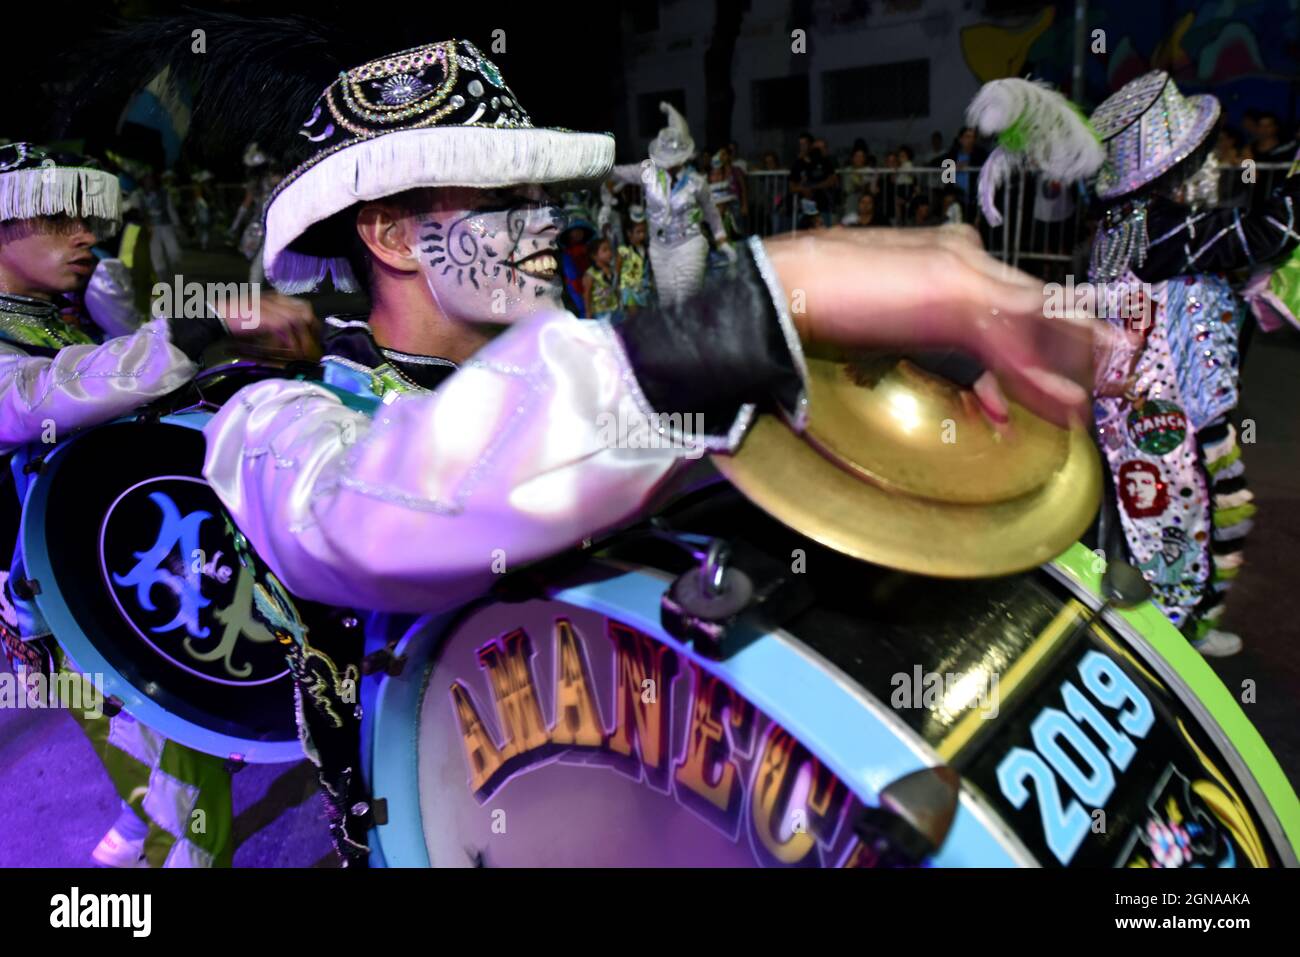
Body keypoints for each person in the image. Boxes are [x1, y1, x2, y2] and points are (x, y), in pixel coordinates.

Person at [0, 143, 316, 867]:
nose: (86, 234)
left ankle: (132, 825)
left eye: (88, 218)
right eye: (56, 219)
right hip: (61, 602)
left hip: (126, 565)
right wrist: (197, 329)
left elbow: (137, 356)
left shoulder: (72, 300)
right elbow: (44, 394)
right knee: (182, 783)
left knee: (154, 742)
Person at [972, 73, 1300, 656]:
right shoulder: (1158, 229)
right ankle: (1168, 639)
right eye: (1203, 156)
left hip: (1164, 407)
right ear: (1170, 171)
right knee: (1175, 521)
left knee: (1190, 515)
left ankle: (1181, 626)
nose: (1214, 165)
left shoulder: (1130, 229)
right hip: (1159, 419)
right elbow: (1264, 234)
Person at [611, 103, 733, 307]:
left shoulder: (696, 181)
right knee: (667, 302)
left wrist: (721, 239)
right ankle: (675, 337)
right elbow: (618, 172)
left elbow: (711, 211)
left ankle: (692, 337)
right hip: (659, 248)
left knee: (687, 299)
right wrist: (591, 164)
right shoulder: (649, 172)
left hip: (689, 244)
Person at [617, 208, 653, 317]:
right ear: (629, 233)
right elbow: (617, 270)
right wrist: (618, 289)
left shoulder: (647, 249)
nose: (642, 235)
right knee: (633, 318)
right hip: (629, 290)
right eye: (638, 232)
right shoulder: (623, 251)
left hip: (644, 288)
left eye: (643, 231)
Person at [584, 236, 620, 322]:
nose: (609, 253)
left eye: (610, 249)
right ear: (594, 256)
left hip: (615, 308)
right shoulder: (591, 274)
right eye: (605, 250)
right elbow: (587, 294)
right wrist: (588, 312)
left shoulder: (611, 269)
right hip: (601, 312)